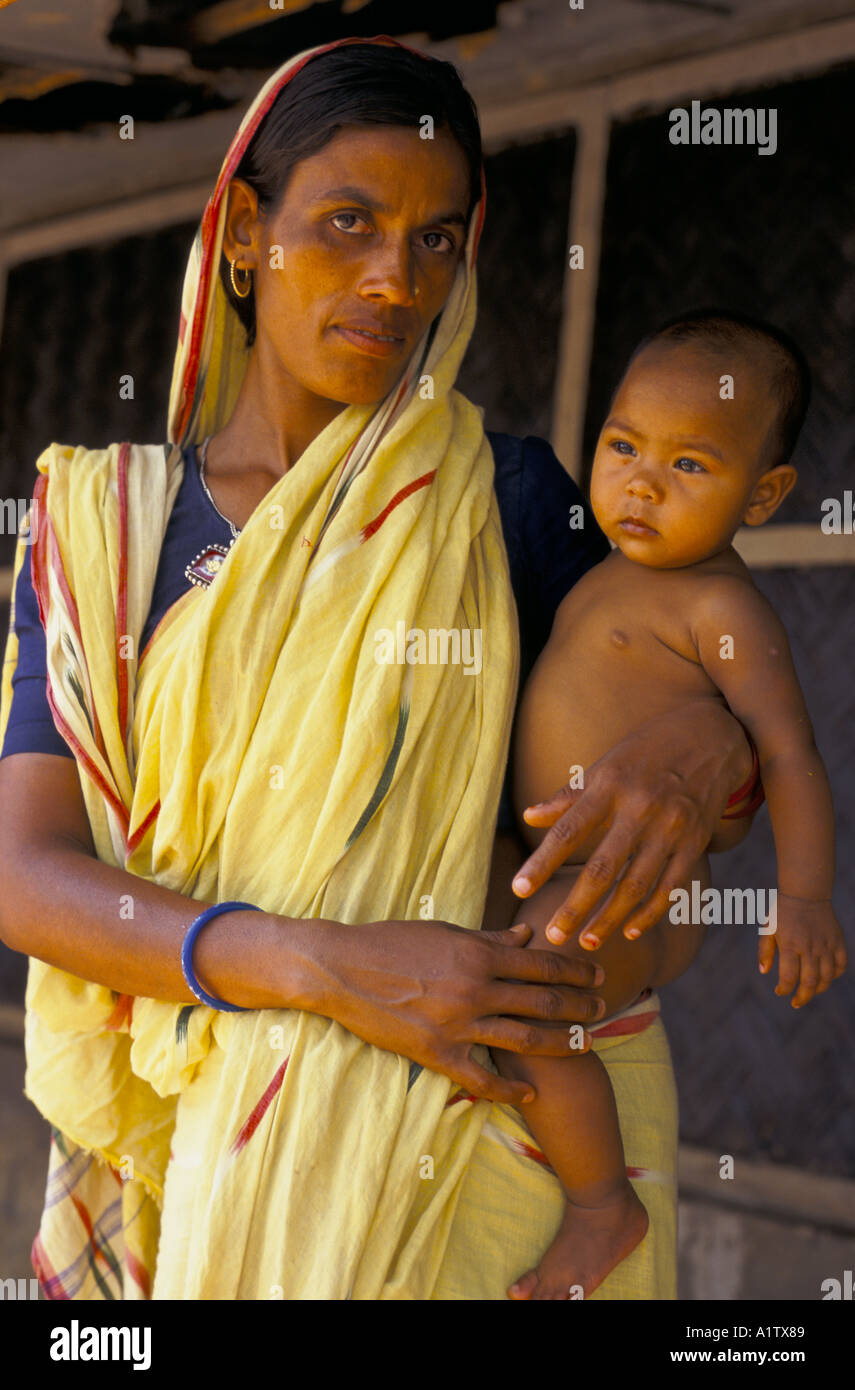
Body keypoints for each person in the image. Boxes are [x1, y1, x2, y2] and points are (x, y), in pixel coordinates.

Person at [0, 37, 755, 1300]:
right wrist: (328, 969)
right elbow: (24, 871)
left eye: (437, 239)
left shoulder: (503, 502)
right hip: (197, 1161)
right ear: (246, 233)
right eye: (348, 222)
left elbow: (678, 839)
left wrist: (713, 751)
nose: (394, 279)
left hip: (485, 1156)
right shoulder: (108, 532)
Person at [492, 310, 848, 1300]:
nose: (642, 481)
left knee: (529, 990)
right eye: (622, 446)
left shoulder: (720, 609)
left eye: (691, 465)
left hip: (649, 890)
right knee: (491, 966)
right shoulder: (598, 572)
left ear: (764, 494)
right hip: (562, 868)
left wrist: (806, 899)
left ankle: (604, 1204)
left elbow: (789, 755)